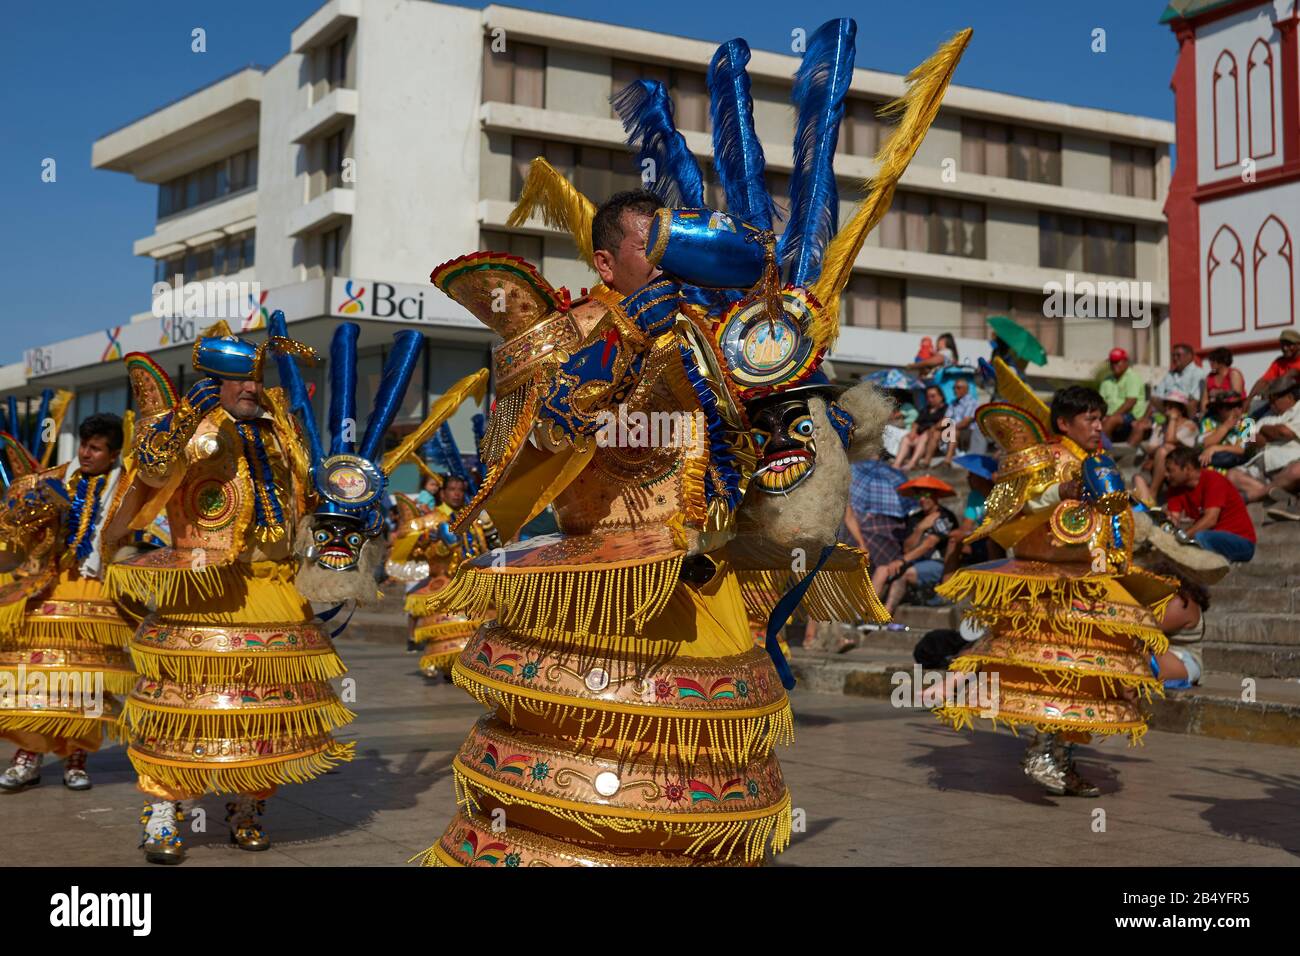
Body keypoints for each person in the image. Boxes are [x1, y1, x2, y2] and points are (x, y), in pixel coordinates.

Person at [108, 324, 356, 863]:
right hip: (203, 590)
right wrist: (181, 422)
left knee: (264, 712)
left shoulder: (282, 432)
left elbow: (308, 500)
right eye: (236, 381)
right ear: (212, 384)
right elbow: (150, 473)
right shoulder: (190, 430)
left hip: (274, 589)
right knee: (186, 709)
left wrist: (348, 497)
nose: (250, 389)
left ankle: (248, 805)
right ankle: (164, 813)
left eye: (254, 380)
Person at [934, 363, 1174, 797]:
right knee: (1053, 668)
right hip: (1049, 581)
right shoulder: (1046, 457)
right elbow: (1015, 508)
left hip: (1090, 578)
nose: (1099, 426)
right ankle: (1043, 750)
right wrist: (1058, 494)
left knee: (1083, 673)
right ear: (1064, 423)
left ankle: (1061, 761)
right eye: (1091, 419)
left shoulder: (1096, 463)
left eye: (1101, 418)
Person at [0, 413, 137, 793]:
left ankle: (78, 755)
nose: (87, 454)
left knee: (88, 682)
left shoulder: (127, 488)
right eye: (84, 446)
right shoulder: (56, 480)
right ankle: (28, 755)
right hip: (51, 586)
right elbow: (17, 523)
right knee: (33, 676)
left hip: (96, 592)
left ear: (112, 454)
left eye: (96, 448)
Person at [876, 476, 959, 615]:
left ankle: (885, 613)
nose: (921, 499)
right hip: (914, 561)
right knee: (881, 570)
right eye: (919, 495)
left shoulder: (945, 517)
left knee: (905, 574)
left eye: (925, 494)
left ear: (935, 495)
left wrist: (902, 561)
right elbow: (908, 548)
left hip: (939, 564)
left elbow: (928, 544)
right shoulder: (915, 518)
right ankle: (864, 611)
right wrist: (920, 528)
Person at [1163, 446, 1256, 562]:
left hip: (1242, 543)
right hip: (1210, 536)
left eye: (1170, 470)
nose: (1166, 475)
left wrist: (1183, 537)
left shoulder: (1213, 480)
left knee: (1200, 537)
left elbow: (1211, 519)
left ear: (1187, 469)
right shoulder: (1175, 488)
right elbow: (1173, 520)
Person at [1228, 376, 1300, 507]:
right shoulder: (1267, 414)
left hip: (1288, 462)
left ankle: (1255, 495)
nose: (1270, 403)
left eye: (1274, 399)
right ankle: (1276, 494)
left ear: (1289, 397)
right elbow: (1249, 440)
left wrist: (1264, 430)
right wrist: (1245, 419)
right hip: (1262, 465)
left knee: (1297, 470)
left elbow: (1284, 432)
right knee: (1232, 475)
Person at [1133, 391, 1197, 501]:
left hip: (1179, 465)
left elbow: (1169, 440)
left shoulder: (1190, 426)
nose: (1167, 408)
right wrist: (1156, 455)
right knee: (1138, 478)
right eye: (1166, 405)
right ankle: (1146, 506)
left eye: (1172, 406)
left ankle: (1152, 493)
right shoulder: (1160, 426)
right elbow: (1150, 448)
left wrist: (1172, 419)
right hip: (1158, 465)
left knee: (1165, 450)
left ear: (1180, 409)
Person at [942, 453, 1000, 576]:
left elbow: (996, 526)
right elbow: (966, 525)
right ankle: (946, 584)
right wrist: (961, 534)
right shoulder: (974, 496)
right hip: (980, 536)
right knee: (954, 540)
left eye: (971, 476)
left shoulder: (998, 495)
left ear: (983, 478)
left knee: (991, 542)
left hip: (996, 536)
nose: (967, 479)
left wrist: (970, 534)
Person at [1099, 347, 1149, 443]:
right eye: (1112, 362)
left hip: (1131, 416)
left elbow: (1130, 402)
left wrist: (1110, 416)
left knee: (1111, 420)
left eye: (1117, 362)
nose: (1114, 365)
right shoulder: (1107, 380)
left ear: (1126, 362)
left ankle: (1102, 451)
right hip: (1111, 415)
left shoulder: (1132, 377)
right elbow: (1101, 402)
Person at [1197, 392, 1255, 473]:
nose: (1236, 410)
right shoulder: (1208, 421)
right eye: (1230, 406)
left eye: (1239, 405)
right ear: (1219, 409)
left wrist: (1215, 448)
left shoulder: (1248, 422)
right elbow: (1205, 443)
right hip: (1211, 468)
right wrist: (1225, 427)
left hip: (1236, 469)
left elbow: (1243, 449)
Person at [895, 384, 948, 470]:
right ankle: (896, 464)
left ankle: (912, 463)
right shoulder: (925, 409)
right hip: (920, 436)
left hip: (934, 438)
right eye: (928, 397)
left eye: (933, 396)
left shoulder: (946, 408)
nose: (930, 399)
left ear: (941, 396)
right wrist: (913, 431)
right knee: (906, 438)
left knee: (925, 435)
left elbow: (946, 421)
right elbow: (916, 422)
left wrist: (933, 428)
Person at [1246, 329, 1300, 403]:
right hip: (1280, 401)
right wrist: (1249, 399)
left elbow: (1289, 376)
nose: (1285, 348)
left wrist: (1267, 390)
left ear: (1298, 345)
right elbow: (1264, 381)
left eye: (1289, 344)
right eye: (1282, 345)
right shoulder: (1279, 362)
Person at [942, 376, 978, 464]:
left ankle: (947, 460)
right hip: (953, 429)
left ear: (966, 389)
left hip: (968, 431)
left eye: (958, 388)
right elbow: (945, 419)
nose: (955, 390)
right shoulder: (953, 403)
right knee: (934, 432)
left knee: (954, 431)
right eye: (954, 388)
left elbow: (965, 423)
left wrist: (949, 428)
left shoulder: (972, 402)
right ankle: (925, 462)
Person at [1200, 346, 1245, 415]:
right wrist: (1203, 413)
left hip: (1235, 411)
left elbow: (1237, 394)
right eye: (1210, 360)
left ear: (1222, 360)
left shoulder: (1233, 373)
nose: (1211, 363)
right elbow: (1205, 399)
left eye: (1213, 360)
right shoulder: (1209, 377)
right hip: (1214, 412)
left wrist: (1219, 393)